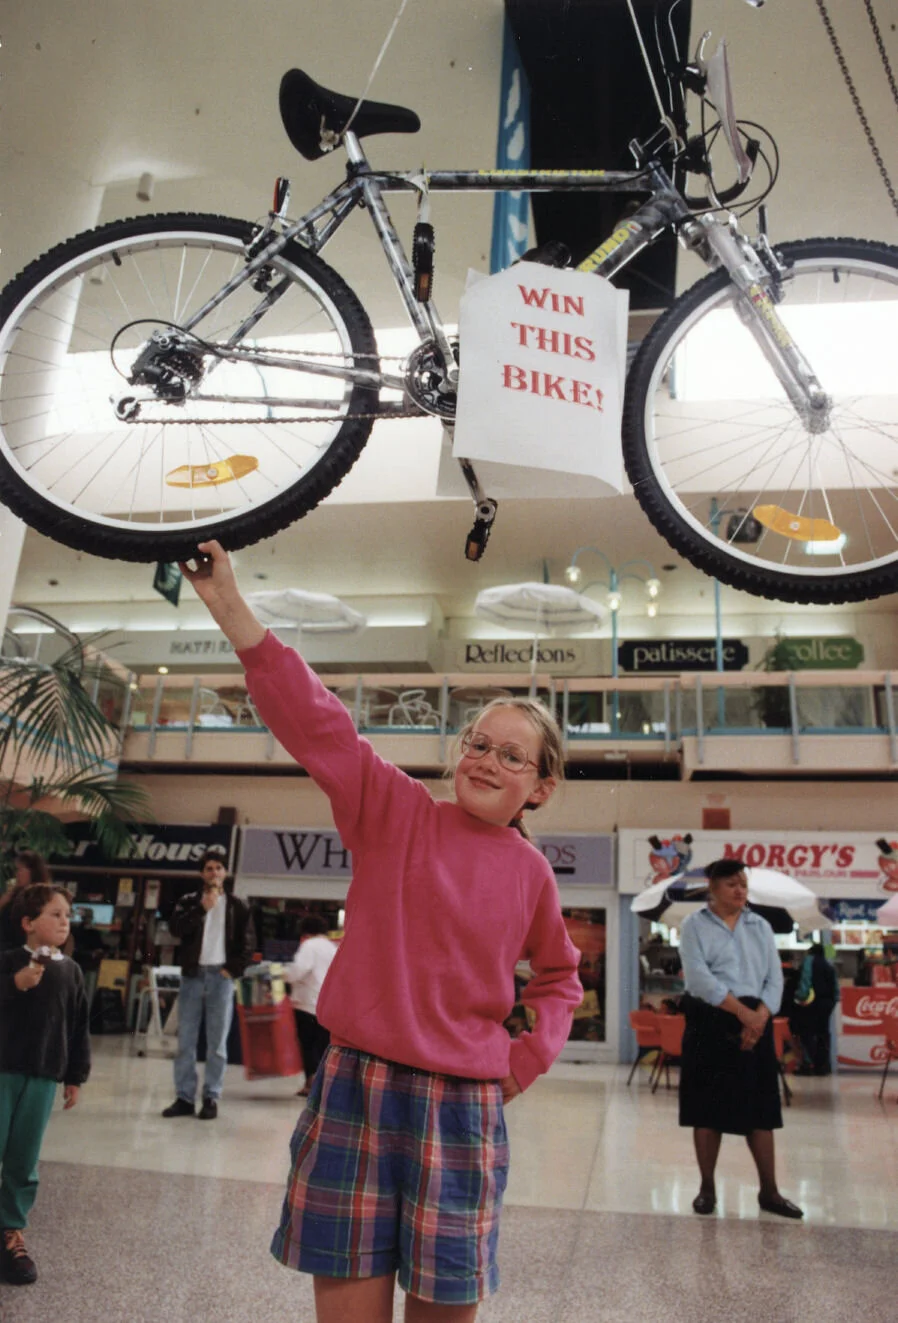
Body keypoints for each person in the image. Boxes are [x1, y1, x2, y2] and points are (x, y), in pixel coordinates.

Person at [180, 540, 582, 1323]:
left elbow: (559, 976)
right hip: (355, 1088)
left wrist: (525, 1057)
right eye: (477, 743)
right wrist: (229, 603)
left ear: (541, 786)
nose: (486, 760)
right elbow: (317, 723)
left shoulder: (532, 874)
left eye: (512, 755)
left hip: (461, 1109)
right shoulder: (395, 812)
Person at [678, 858, 803, 1220]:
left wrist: (760, 1016)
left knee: (762, 1110)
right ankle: (707, 1189)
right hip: (710, 1018)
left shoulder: (760, 926)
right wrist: (742, 1013)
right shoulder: (694, 925)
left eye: (743, 884)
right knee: (705, 1109)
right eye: (731, 884)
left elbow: (774, 978)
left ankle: (770, 1191)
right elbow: (698, 978)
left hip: (756, 1021)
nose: (740, 890)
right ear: (713, 888)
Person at [0, 883, 90, 1285]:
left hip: (42, 1076)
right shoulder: (7, 962)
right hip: (3, 1072)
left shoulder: (71, 971)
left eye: (68, 915)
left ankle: (11, 1231)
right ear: (28, 923)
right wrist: (14, 984)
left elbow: (78, 1026)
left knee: (23, 1158)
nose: (64, 921)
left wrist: (75, 1075)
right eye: (55, 914)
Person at [161, 850, 253, 1121]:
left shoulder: (238, 906)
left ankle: (211, 1096)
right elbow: (176, 930)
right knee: (185, 1041)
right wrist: (202, 908)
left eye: (219, 868)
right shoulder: (189, 902)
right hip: (193, 975)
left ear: (226, 872)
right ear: (202, 874)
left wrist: (231, 970)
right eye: (209, 868)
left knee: (217, 1043)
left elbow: (248, 944)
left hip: (220, 978)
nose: (214, 872)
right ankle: (184, 1097)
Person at [283, 915, 337, 1098]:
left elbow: (298, 970)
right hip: (327, 1005)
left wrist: (284, 974)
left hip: (306, 1003)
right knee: (322, 1046)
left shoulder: (309, 946)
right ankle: (322, 1084)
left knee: (307, 1045)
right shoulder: (332, 948)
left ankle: (310, 1083)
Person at [794, 942, 840, 1076]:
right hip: (826, 1004)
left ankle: (808, 1064)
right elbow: (836, 991)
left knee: (807, 1033)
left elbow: (805, 981)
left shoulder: (809, 961)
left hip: (811, 1003)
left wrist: (799, 997)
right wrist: (831, 1004)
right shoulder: (829, 966)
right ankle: (822, 1066)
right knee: (822, 1034)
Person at [0, 851, 51, 953]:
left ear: (33, 871)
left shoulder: (40, 897)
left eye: (20, 870)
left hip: (21, 949)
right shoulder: (14, 894)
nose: (17, 874)